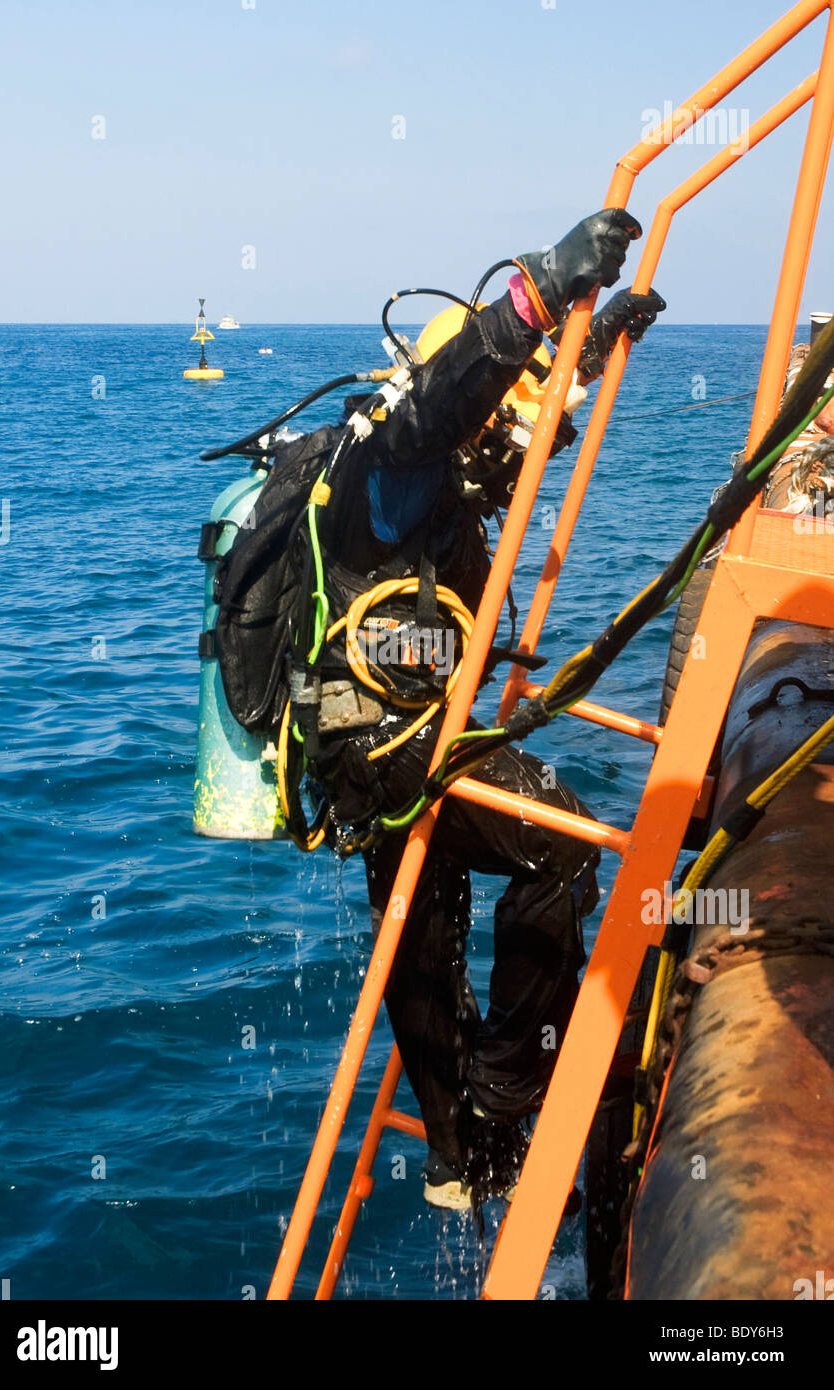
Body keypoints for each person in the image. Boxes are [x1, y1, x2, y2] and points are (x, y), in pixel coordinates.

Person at [221, 209, 666, 1208]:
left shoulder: (425, 457)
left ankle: (458, 1153)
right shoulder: (396, 451)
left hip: (381, 746)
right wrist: (545, 284)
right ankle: (504, 1092)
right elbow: (455, 394)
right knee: (560, 845)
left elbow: (512, 424)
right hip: (386, 743)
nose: (503, 425)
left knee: (421, 923)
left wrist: (591, 348)